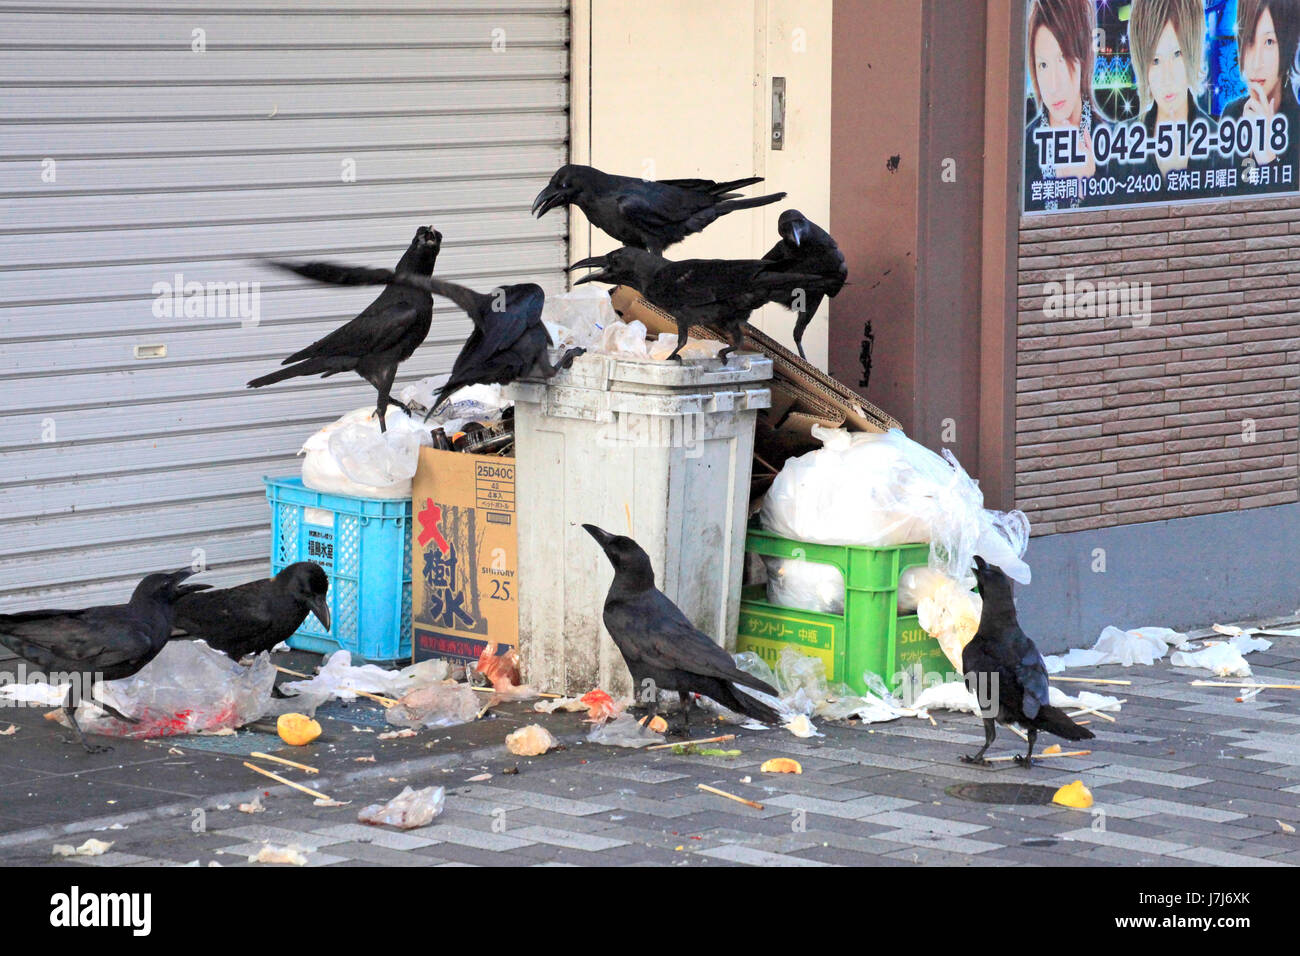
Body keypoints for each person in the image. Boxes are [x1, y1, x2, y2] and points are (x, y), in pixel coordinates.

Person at [1127, 0, 1220, 200]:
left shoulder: (1219, 142)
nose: (1167, 78)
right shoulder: (1122, 141)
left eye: (1177, 54)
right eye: (1155, 60)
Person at [1023, 0, 1111, 211]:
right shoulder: (1024, 147)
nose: (1053, 85)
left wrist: (1085, 188)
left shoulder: (1112, 142)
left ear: (1083, 57)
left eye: (1063, 58)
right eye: (1043, 65)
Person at [1220, 0, 1300, 194]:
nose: (1256, 63)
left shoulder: (1296, 121)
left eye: (1269, 42)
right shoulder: (1232, 113)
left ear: (1287, 44)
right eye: (1249, 42)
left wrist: (1268, 157)